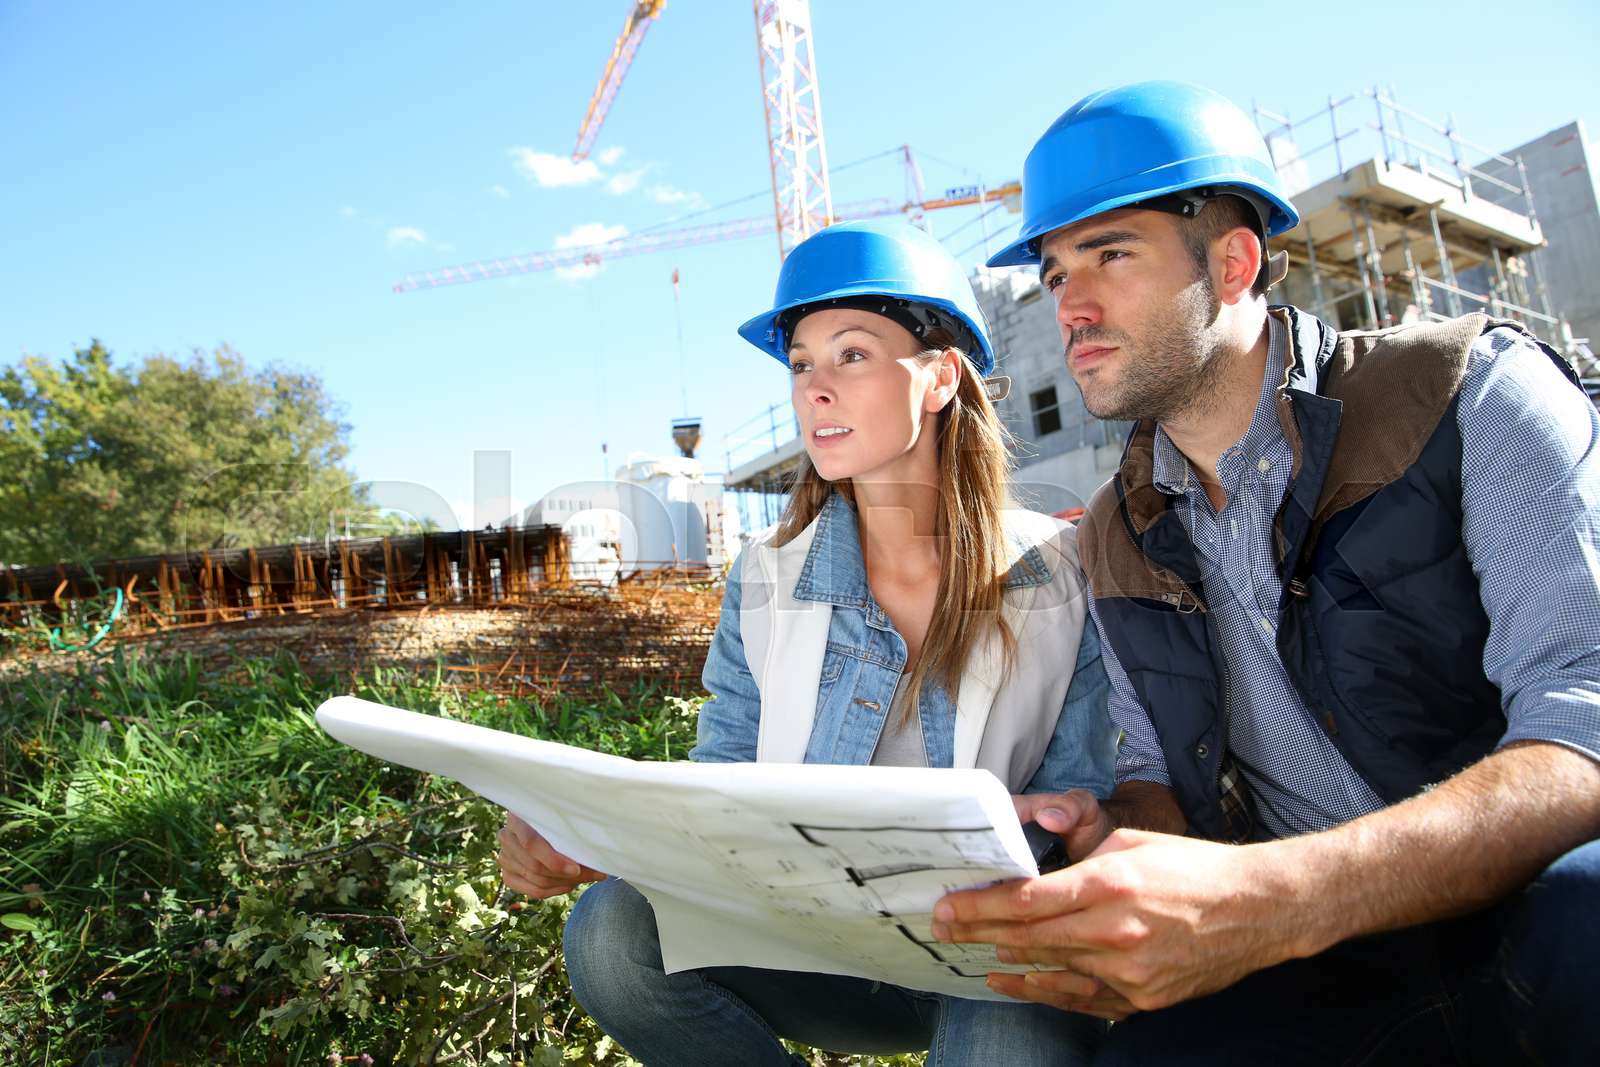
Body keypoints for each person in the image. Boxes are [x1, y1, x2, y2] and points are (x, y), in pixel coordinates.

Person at [927, 80, 1600, 1064]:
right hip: (1323, 957)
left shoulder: (1470, 396)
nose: (1070, 302)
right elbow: (1163, 774)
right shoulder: (1113, 529)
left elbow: (1582, 723)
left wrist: (1276, 898)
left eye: (1110, 253)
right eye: (1054, 269)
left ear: (1233, 263)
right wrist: (1104, 828)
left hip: (1531, 911)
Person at [496, 219, 1120, 1066]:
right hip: (817, 944)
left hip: (986, 947)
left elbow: (1083, 789)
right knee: (611, 935)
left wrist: (1064, 823)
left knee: (1004, 1040)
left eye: (852, 355)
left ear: (939, 377)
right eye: (800, 364)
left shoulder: (1057, 570)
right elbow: (721, 780)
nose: (814, 389)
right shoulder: (766, 573)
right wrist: (594, 838)